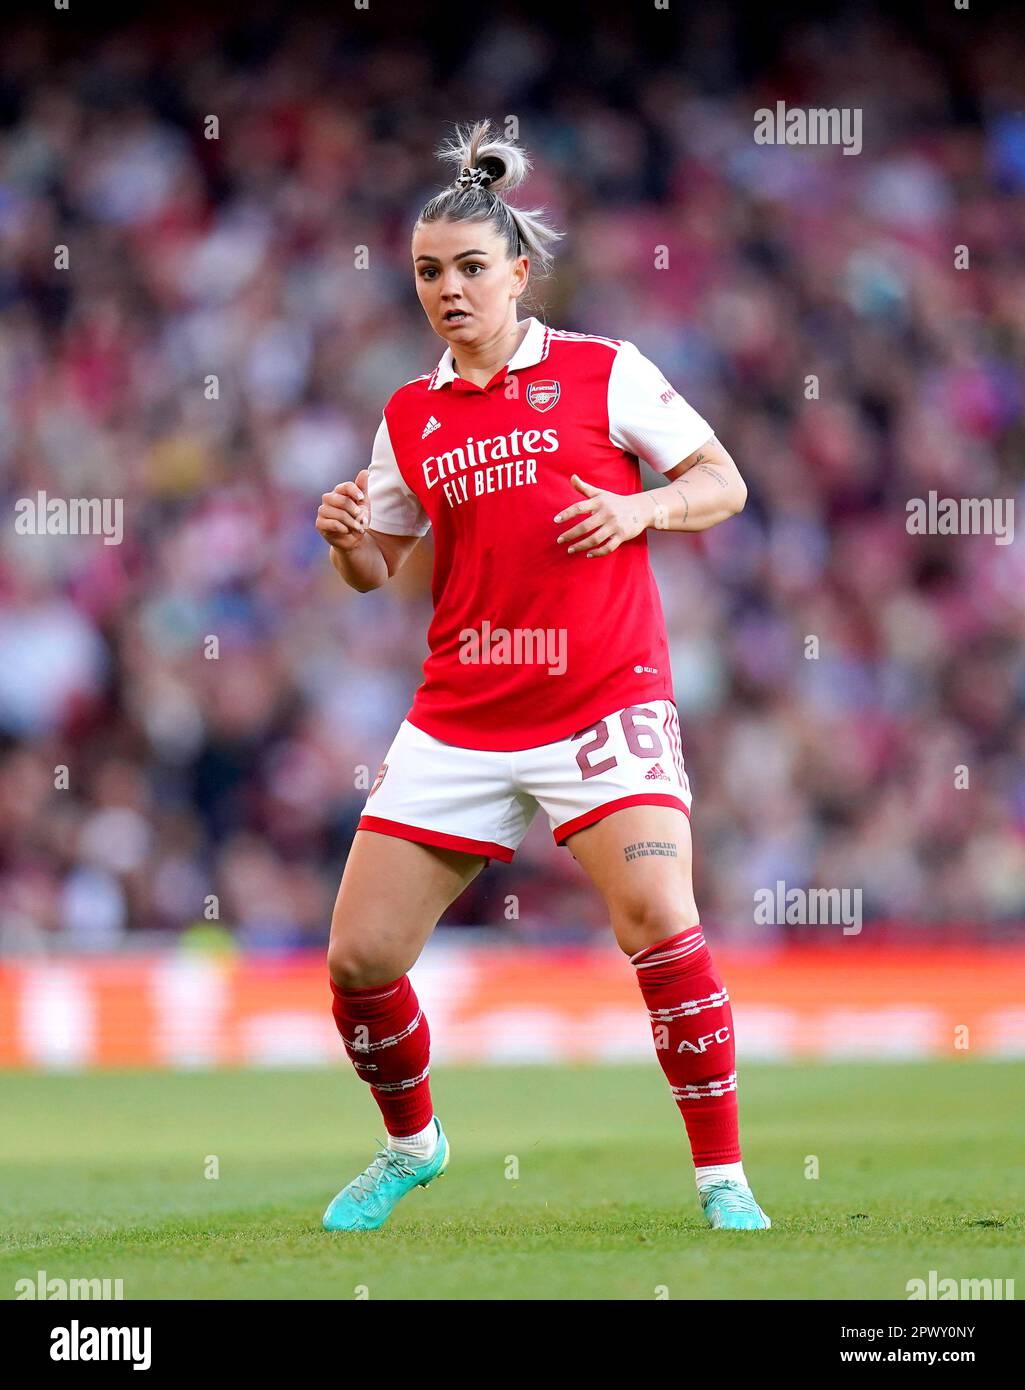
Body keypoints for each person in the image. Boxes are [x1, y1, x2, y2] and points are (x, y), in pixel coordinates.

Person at [315, 120, 770, 1232]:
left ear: (518, 271)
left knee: (658, 915)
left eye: (471, 267)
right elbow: (381, 572)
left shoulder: (600, 371)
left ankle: (723, 1182)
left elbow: (722, 482)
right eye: (429, 271)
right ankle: (411, 1146)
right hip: (460, 715)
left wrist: (639, 506)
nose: (449, 289)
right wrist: (346, 542)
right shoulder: (409, 416)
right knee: (359, 957)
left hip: (601, 700)